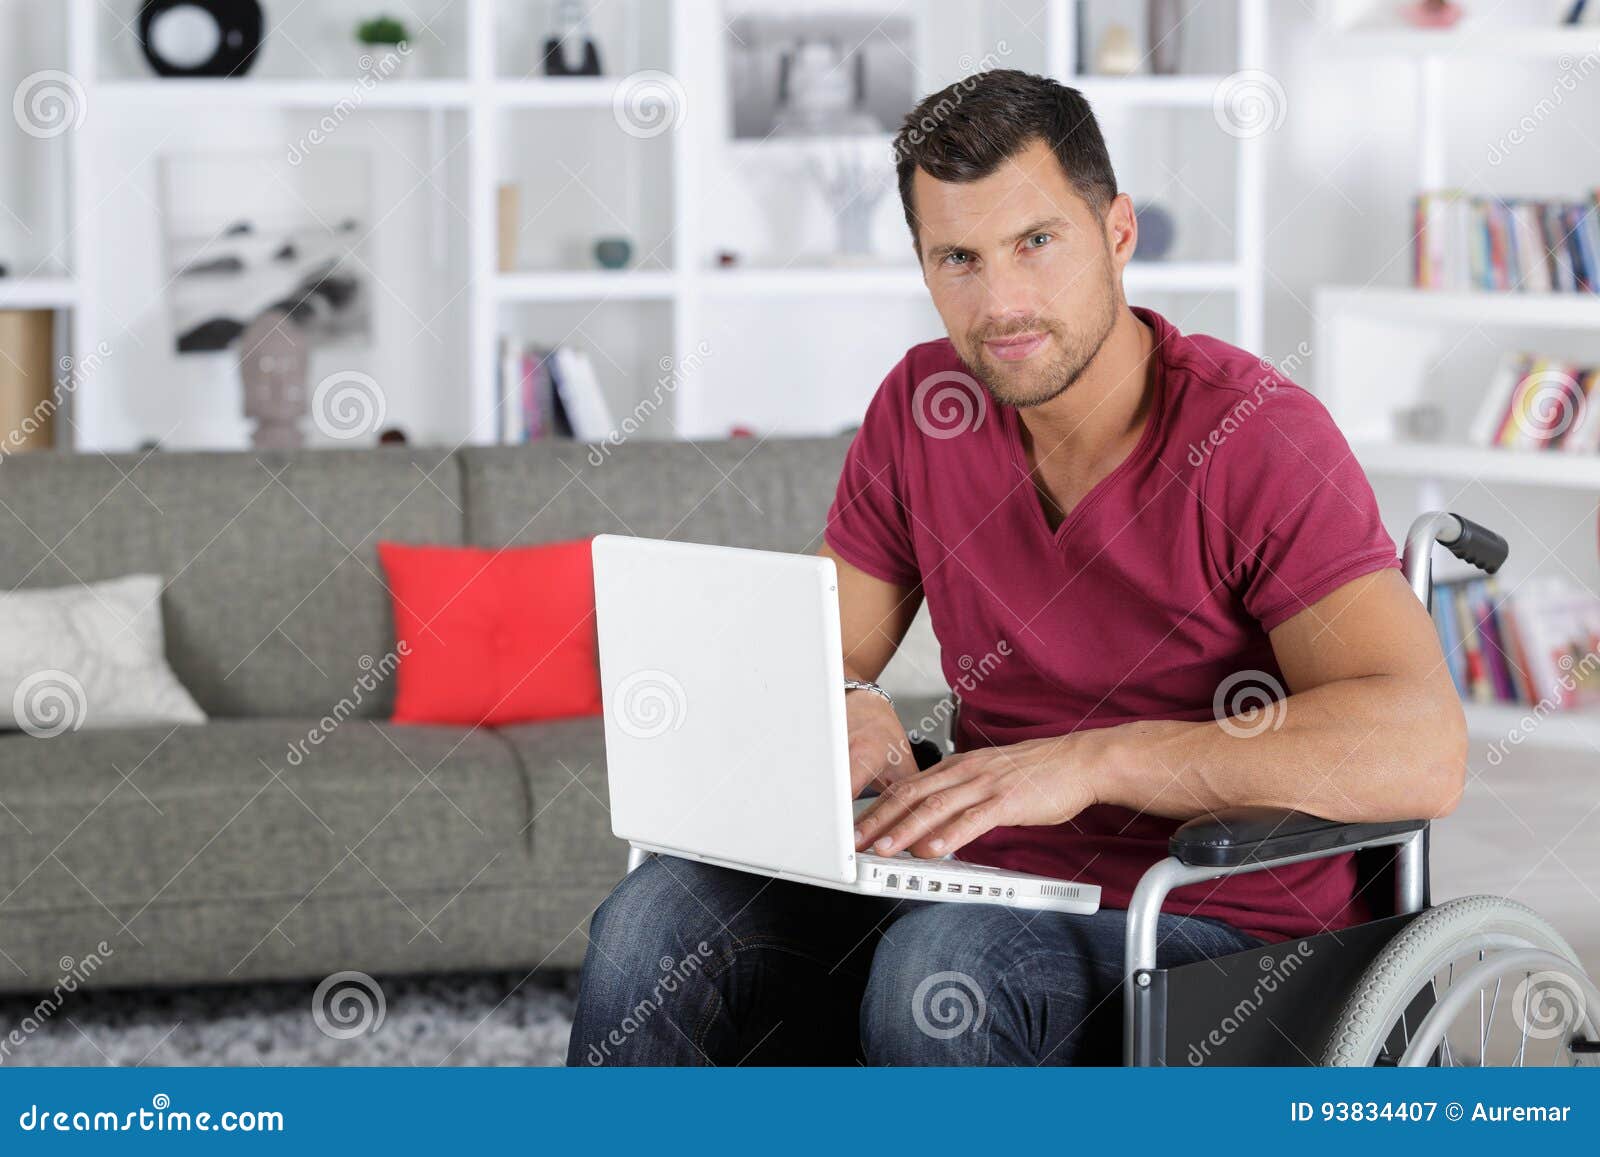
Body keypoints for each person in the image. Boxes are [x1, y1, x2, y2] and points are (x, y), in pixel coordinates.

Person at [567, 69, 1466, 1067]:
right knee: (657, 920)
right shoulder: (925, 408)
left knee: (941, 969)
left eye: (1036, 243)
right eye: (958, 257)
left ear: (1117, 232)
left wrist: (1091, 759)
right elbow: (818, 655)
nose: (1000, 303)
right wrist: (849, 694)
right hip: (982, 881)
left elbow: (1417, 747)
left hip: (1215, 919)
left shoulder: (1254, 438)